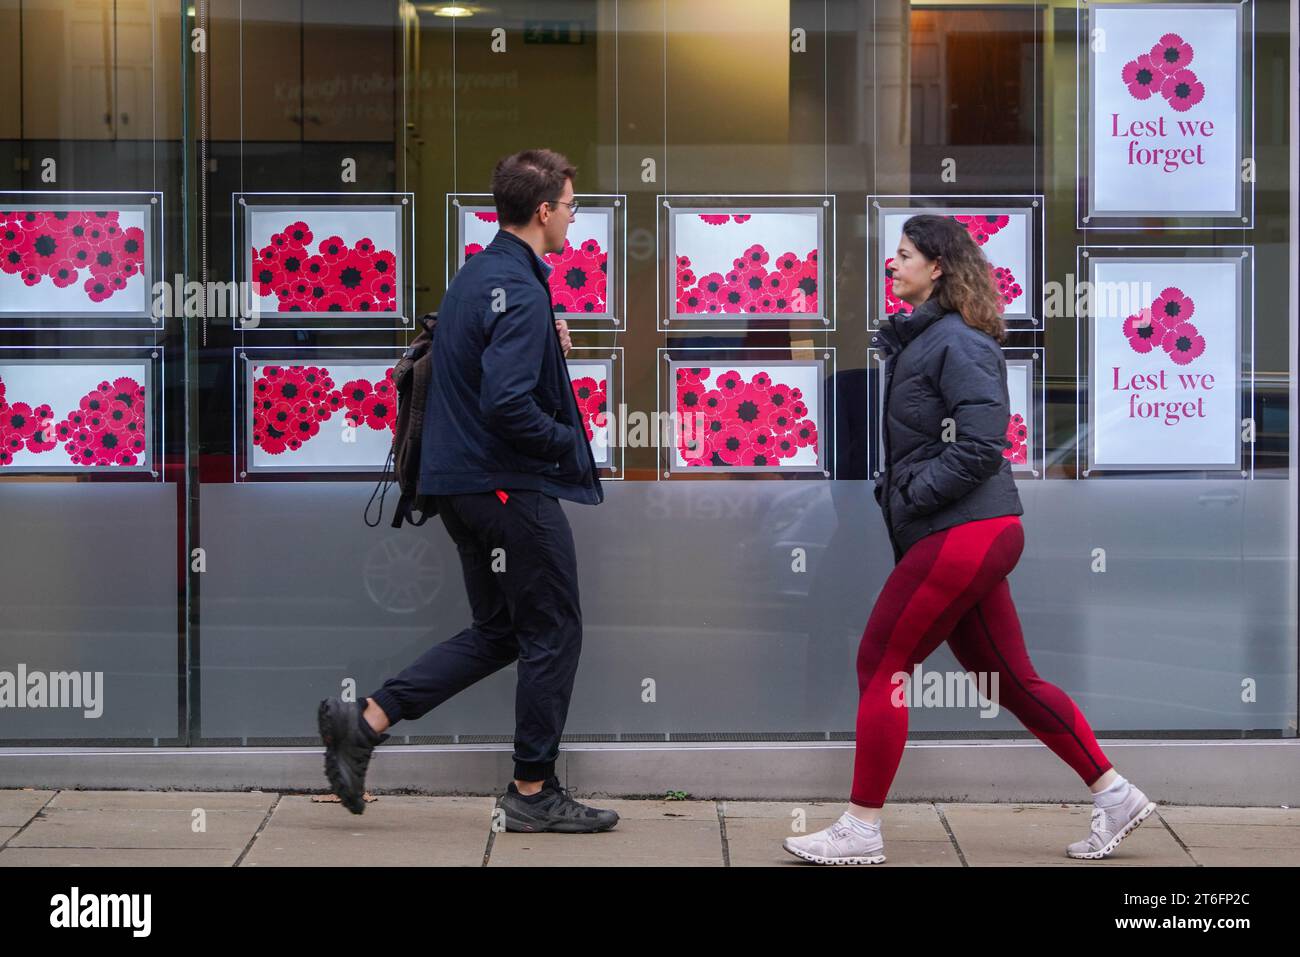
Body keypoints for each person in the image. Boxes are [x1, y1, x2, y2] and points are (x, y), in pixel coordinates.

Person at [783, 214, 1155, 865]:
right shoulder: (922, 342)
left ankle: (861, 828)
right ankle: (1115, 792)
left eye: (903, 256)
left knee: (881, 661)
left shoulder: (961, 343)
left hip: (964, 530)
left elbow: (982, 446)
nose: (891, 265)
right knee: (1007, 678)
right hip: (966, 533)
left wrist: (912, 496)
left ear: (939, 267)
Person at [318, 148, 618, 834]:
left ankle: (362, 723)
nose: (574, 217)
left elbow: (483, 361)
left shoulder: (481, 275)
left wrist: (547, 339)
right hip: (508, 487)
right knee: (554, 631)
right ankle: (532, 790)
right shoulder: (517, 285)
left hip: (462, 487)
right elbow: (508, 402)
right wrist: (567, 441)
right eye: (570, 205)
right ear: (543, 212)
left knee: (501, 631)